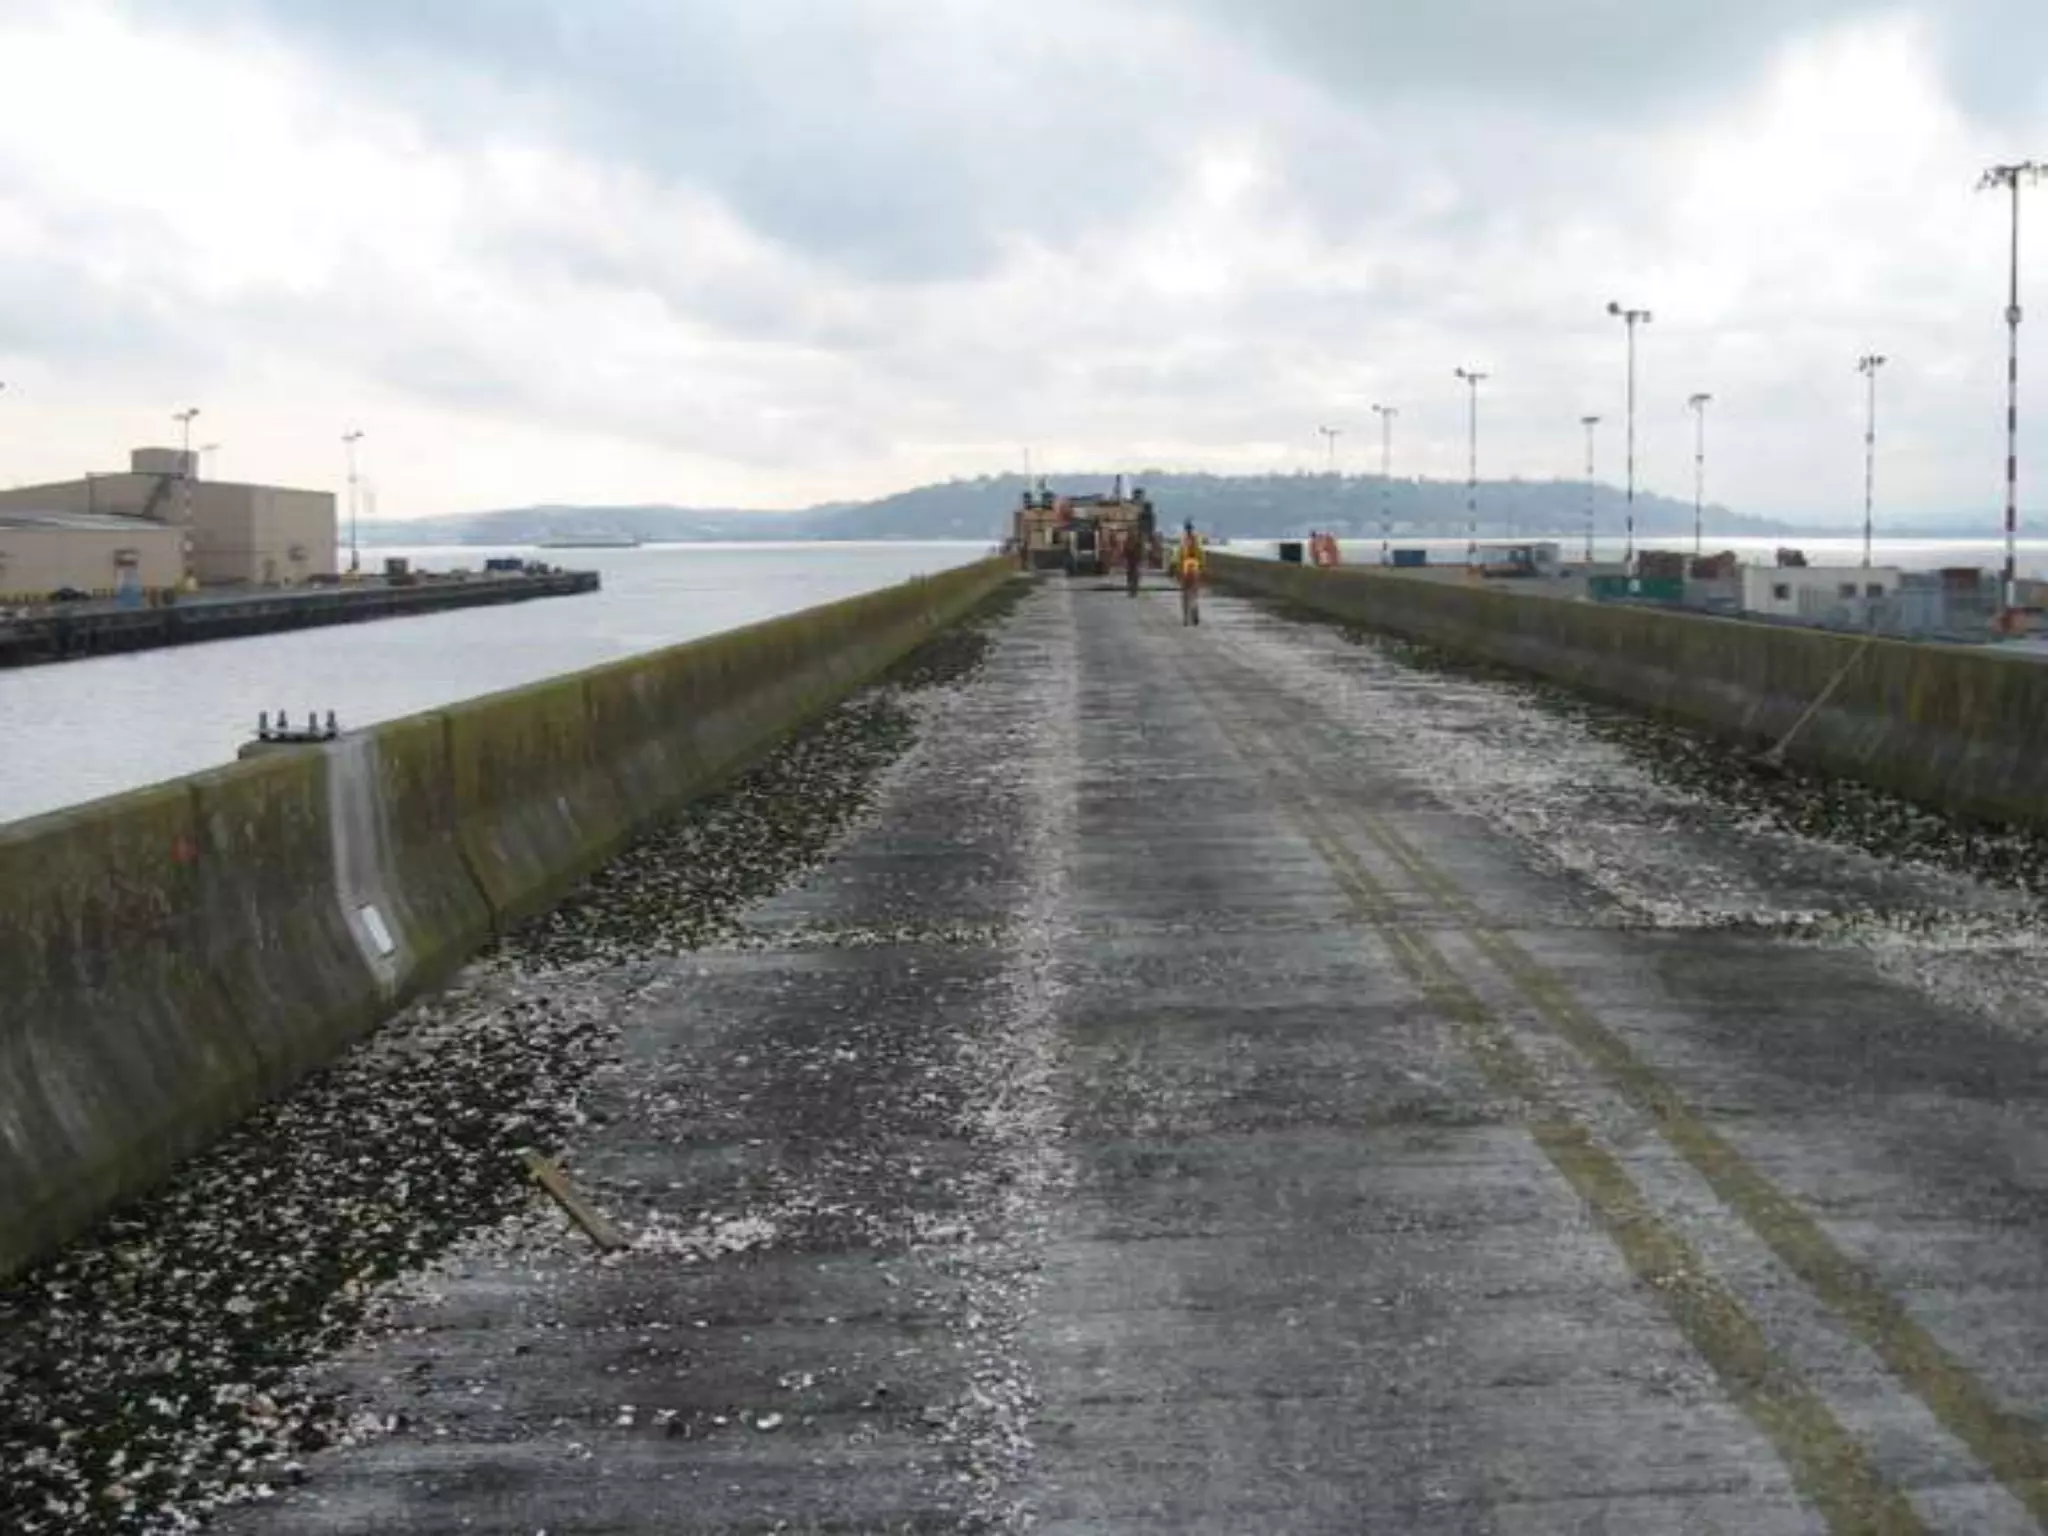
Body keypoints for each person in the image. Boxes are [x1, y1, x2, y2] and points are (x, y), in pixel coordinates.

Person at [1176, 520, 1206, 627]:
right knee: (1194, 593)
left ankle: (1185, 617)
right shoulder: (1196, 540)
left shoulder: (1183, 541)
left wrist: (1178, 569)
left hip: (1185, 567)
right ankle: (1194, 609)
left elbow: (1179, 555)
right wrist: (1202, 567)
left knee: (1184, 594)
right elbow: (1201, 555)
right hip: (1195, 567)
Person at [1123, 528, 1142, 597]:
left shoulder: (1133, 541)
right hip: (1132, 561)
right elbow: (1125, 551)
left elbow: (1126, 551)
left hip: (1133, 561)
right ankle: (1132, 590)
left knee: (1133, 576)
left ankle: (1132, 590)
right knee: (1132, 576)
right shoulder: (1132, 541)